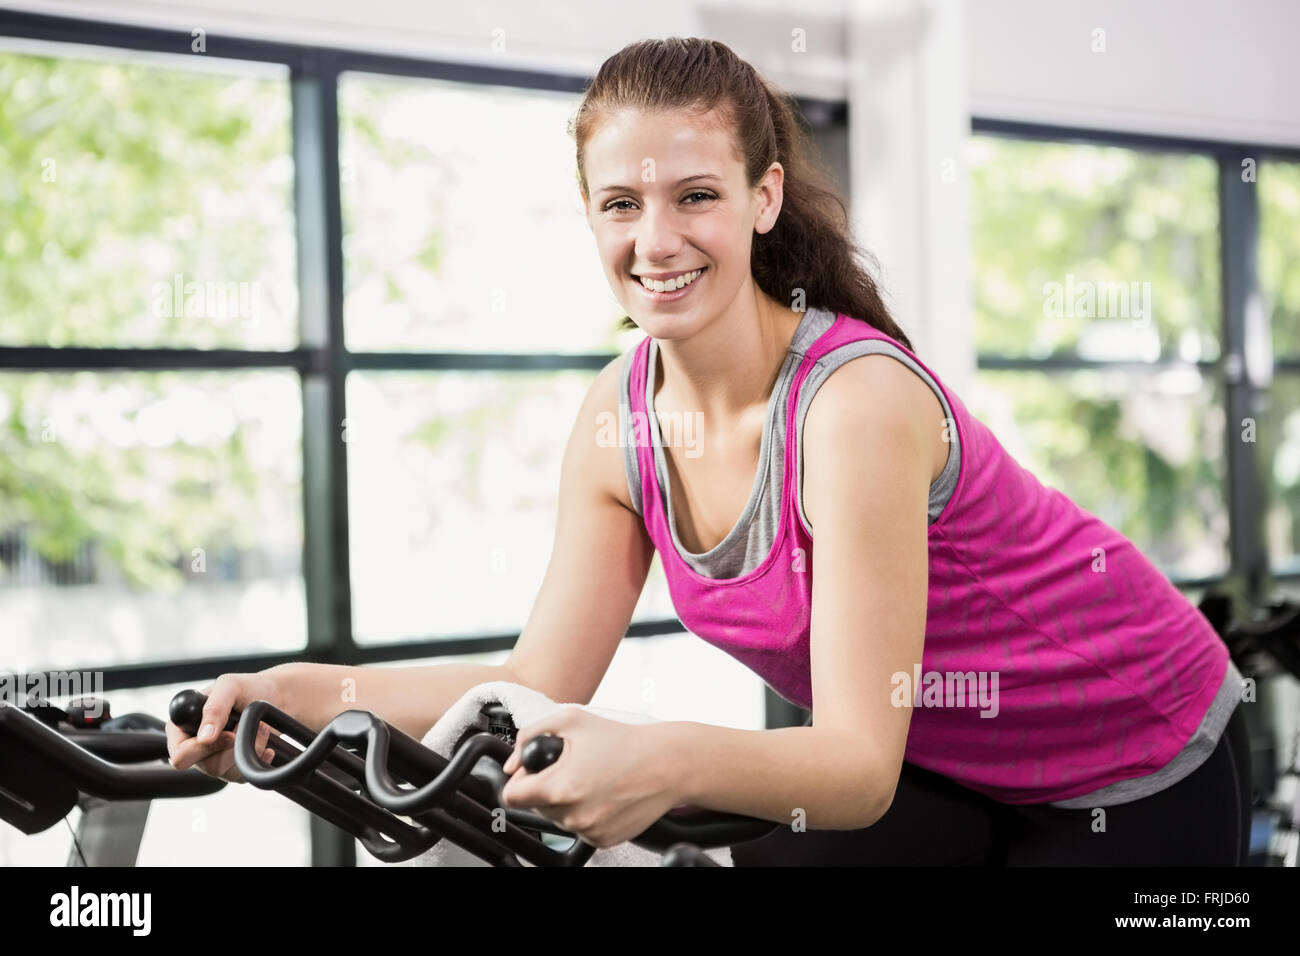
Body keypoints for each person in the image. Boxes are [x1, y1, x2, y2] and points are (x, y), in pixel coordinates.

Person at [167, 37, 1251, 865]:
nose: (657, 241)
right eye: (621, 205)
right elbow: (532, 679)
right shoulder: (618, 419)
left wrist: (660, 753)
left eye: (696, 196)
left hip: (1136, 756)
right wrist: (300, 689)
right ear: (589, 216)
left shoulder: (852, 405)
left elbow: (855, 765)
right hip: (949, 760)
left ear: (762, 196)